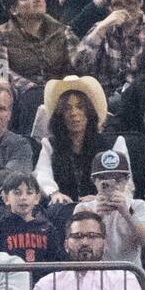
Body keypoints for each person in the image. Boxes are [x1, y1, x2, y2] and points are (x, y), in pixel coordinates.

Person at [35, 73, 125, 204]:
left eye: (80, 107)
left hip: (103, 208)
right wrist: (54, 193)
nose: (73, 113)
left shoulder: (113, 144)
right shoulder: (49, 145)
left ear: (89, 111)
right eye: (67, 108)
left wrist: (103, 197)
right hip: (65, 210)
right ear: (60, 115)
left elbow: (124, 183)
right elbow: (42, 173)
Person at [0, 0, 79, 93]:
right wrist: (34, 90)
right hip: (23, 96)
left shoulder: (63, 31)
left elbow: (78, 63)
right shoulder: (1, 36)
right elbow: (0, 72)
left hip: (62, 94)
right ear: (14, 10)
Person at [73, 0, 145, 96]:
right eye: (117, 5)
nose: (124, 9)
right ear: (110, 7)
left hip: (142, 100)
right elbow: (78, 66)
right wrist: (101, 28)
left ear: (141, 1)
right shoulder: (100, 29)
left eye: (129, 2)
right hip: (106, 102)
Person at [76, 146, 145, 269]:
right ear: (94, 181)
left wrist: (126, 213)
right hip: (95, 272)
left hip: (129, 274)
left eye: (117, 179)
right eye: (103, 180)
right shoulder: (83, 208)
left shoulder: (139, 205)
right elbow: (78, 244)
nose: (112, 185)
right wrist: (96, 217)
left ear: (127, 180)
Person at [0, 168, 62, 263]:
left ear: (37, 198)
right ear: (6, 198)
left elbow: (55, 260)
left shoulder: (47, 228)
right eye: (17, 193)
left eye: (29, 193)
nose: (23, 198)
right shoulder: (0, 227)